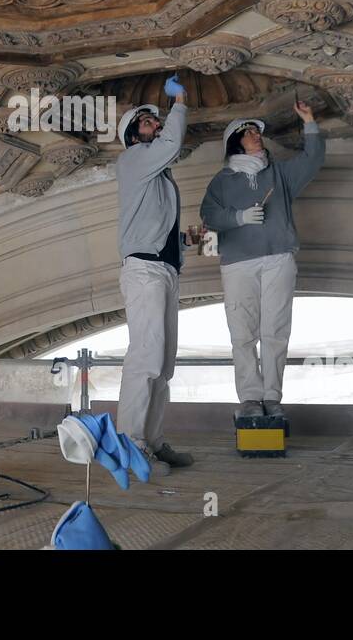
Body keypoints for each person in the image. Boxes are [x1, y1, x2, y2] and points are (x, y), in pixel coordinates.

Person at [199, 102, 324, 420]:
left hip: (278, 258)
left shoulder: (278, 173)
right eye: (250, 133)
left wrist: (309, 121)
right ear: (236, 143)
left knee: (276, 330)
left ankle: (271, 397)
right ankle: (250, 397)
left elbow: (313, 160)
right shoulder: (222, 181)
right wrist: (238, 217)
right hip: (238, 263)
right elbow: (209, 215)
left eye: (257, 132)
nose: (257, 136)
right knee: (242, 334)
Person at [114, 74, 196, 476]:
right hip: (144, 270)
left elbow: (153, 222)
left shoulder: (159, 177)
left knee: (163, 364)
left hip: (162, 269)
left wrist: (182, 241)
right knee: (145, 357)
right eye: (148, 122)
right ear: (132, 136)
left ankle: (152, 440)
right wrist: (178, 103)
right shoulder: (133, 160)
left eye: (156, 120)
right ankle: (129, 443)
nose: (156, 125)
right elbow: (171, 143)